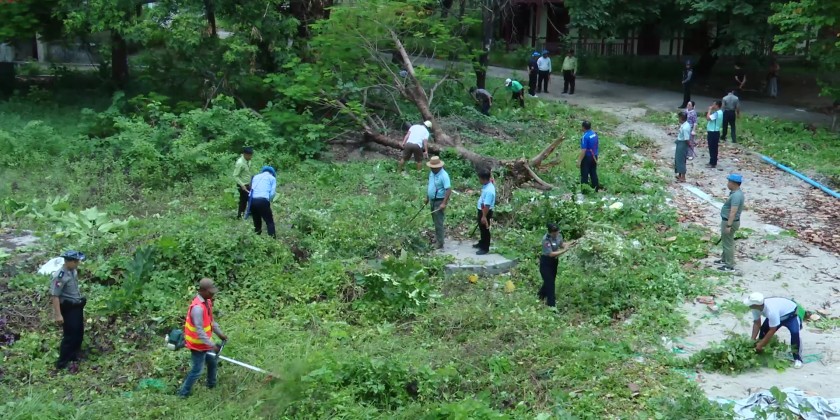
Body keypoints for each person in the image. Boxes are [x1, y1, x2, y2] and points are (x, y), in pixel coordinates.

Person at [179, 278, 228, 397]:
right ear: (202, 291)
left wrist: (220, 334)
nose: (213, 294)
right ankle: (183, 393)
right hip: (197, 345)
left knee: (212, 362)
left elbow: (211, 321)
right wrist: (213, 345)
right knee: (197, 370)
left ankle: (211, 385)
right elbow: (200, 332)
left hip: (205, 343)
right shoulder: (197, 308)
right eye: (210, 292)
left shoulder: (207, 302)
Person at [744, 292, 804, 369]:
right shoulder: (755, 308)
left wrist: (760, 344)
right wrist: (752, 340)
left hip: (790, 315)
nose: (749, 306)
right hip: (778, 314)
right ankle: (760, 353)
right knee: (763, 330)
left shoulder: (771, 311)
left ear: (757, 305)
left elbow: (772, 330)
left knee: (795, 333)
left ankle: (797, 358)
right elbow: (757, 323)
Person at [49, 250, 87, 370]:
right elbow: (55, 296)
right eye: (75, 262)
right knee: (70, 336)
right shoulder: (60, 276)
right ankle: (62, 363)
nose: (77, 264)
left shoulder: (73, 271)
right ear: (68, 261)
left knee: (78, 333)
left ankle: (74, 356)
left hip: (77, 307)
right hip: (68, 308)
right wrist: (58, 315)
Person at [717, 173, 744, 272]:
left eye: (729, 182)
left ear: (734, 183)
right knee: (725, 241)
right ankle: (724, 258)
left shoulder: (736, 196)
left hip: (730, 222)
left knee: (728, 243)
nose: (727, 184)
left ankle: (729, 265)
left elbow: (733, 211)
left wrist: (729, 225)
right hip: (728, 221)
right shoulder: (735, 193)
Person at [424, 156, 452, 249]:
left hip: (439, 201)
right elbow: (430, 185)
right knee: (435, 221)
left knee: (438, 222)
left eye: (433, 167)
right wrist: (427, 197)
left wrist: (444, 203)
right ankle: (438, 238)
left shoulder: (444, 175)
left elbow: (448, 189)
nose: (432, 169)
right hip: (432, 200)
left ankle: (440, 243)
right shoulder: (432, 173)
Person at [538, 223, 566, 308]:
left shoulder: (559, 236)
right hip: (546, 262)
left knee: (550, 281)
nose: (557, 234)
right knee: (551, 285)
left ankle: (541, 295)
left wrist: (572, 244)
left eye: (557, 232)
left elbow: (562, 244)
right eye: (555, 233)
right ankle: (551, 306)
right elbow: (550, 254)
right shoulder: (546, 240)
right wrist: (564, 251)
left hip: (554, 262)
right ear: (550, 233)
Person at [250, 165, 277, 237]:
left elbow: (251, 190)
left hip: (252, 200)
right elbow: (272, 193)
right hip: (262, 200)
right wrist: (269, 200)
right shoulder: (272, 178)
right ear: (272, 173)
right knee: (269, 222)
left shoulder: (255, 177)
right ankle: (272, 240)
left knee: (257, 222)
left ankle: (257, 239)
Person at [474, 170, 496, 255]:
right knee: (481, 228)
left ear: (484, 179)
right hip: (481, 210)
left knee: (485, 230)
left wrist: (484, 216)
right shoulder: (486, 185)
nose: (479, 180)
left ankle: (485, 248)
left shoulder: (489, 191)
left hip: (485, 212)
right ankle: (481, 242)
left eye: (479, 178)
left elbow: (487, 205)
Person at [577, 120, 600, 191]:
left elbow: (583, 150)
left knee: (584, 174)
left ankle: (585, 191)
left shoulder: (585, 137)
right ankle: (596, 189)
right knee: (593, 172)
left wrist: (579, 161)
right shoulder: (594, 134)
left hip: (587, 157)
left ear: (583, 127)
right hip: (594, 156)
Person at [233, 147, 254, 219]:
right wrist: (242, 185)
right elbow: (235, 176)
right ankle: (239, 216)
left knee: (251, 198)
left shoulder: (248, 161)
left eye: (251, 155)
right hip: (242, 185)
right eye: (249, 155)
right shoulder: (240, 163)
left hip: (248, 184)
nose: (251, 157)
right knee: (243, 201)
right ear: (245, 154)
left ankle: (250, 212)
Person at [706, 100, 723, 168]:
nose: (712, 106)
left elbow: (708, 118)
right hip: (716, 131)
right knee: (714, 148)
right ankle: (712, 161)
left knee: (712, 148)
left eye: (714, 105)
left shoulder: (717, 113)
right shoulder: (720, 112)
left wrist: (709, 110)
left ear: (717, 105)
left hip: (713, 132)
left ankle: (712, 163)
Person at [675, 111, 690, 183]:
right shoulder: (684, 124)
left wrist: (689, 145)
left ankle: (683, 177)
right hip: (680, 142)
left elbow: (687, 139)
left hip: (682, 144)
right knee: (678, 159)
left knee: (681, 160)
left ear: (681, 118)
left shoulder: (685, 127)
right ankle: (680, 175)